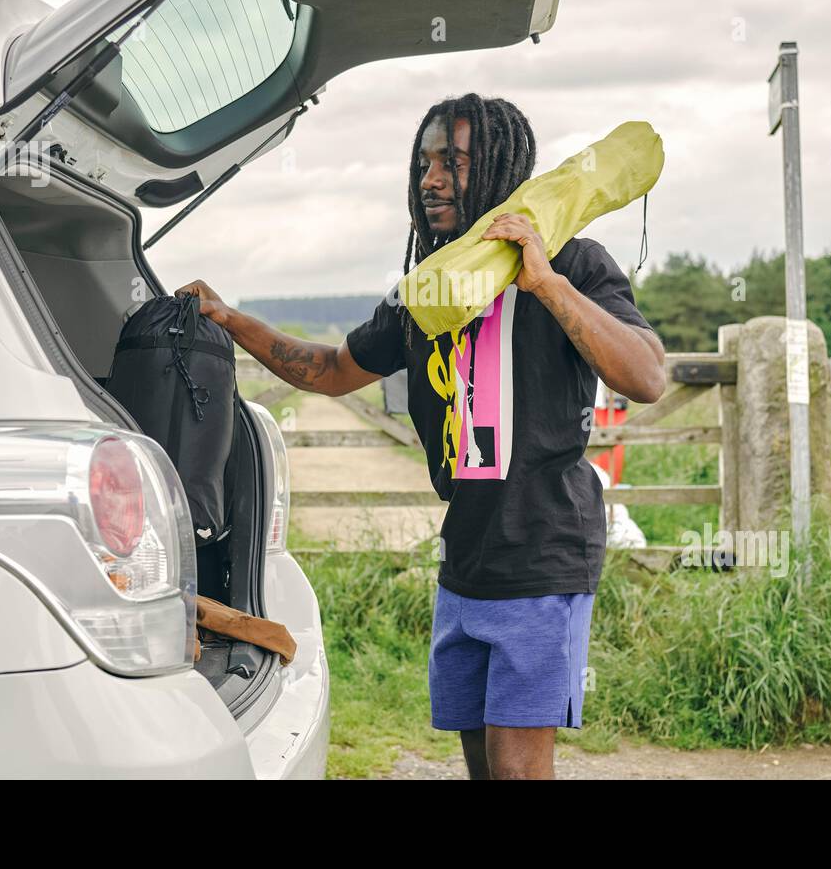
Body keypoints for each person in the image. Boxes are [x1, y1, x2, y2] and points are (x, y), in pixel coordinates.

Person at [178, 93, 665, 779]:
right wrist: (228, 319)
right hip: (465, 559)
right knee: (478, 764)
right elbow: (329, 370)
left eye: (453, 162)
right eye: (425, 163)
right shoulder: (426, 292)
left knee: (517, 769)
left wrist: (545, 282)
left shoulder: (574, 263)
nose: (430, 179)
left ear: (498, 170)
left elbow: (646, 376)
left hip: (543, 553)